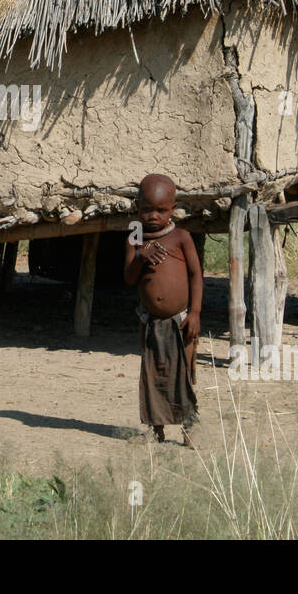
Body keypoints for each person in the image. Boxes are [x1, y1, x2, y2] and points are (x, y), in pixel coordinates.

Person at [123, 173, 201, 446]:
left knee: (184, 372)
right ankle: (154, 429)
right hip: (151, 321)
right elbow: (129, 279)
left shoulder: (181, 236)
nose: (153, 216)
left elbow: (195, 275)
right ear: (137, 206)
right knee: (152, 373)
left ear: (172, 207)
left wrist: (195, 313)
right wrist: (141, 256)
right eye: (146, 209)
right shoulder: (135, 238)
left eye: (161, 210)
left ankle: (189, 428)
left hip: (180, 320)